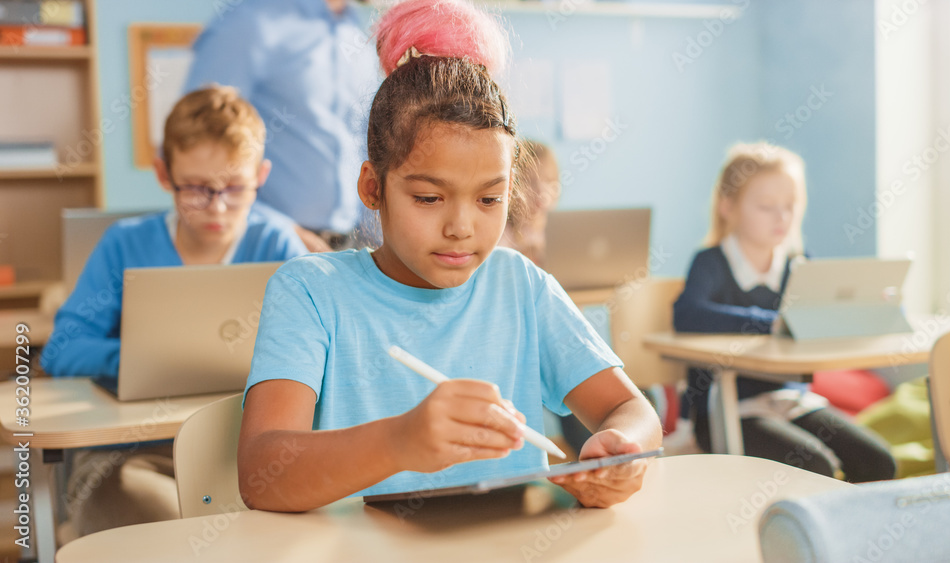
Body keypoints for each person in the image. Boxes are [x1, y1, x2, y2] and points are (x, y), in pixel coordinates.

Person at [239, 0, 662, 513]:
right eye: (428, 198)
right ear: (372, 187)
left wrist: (624, 450)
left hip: (509, 544)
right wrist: (399, 442)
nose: (461, 227)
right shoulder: (310, 290)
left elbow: (630, 407)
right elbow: (261, 475)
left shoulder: (520, 286)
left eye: (489, 199)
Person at [40, 86, 308, 537]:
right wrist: (141, 361)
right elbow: (61, 350)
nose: (217, 206)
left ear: (260, 176)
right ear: (164, 173)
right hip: (134, 458)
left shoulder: (279, 244)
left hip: (241, 455)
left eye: (234, 188)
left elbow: (317, 349)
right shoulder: (125, 244)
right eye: (198, 188)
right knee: (141, 518)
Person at [673, 142, 896, 482]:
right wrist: (771, 323)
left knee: (878, 461)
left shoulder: (798, 266)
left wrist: (871, 306)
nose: (782, 217)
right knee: (814, 467)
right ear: (727, 207)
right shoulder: (710, 263)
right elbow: (687, 314)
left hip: (791, 402)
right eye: (766, 206)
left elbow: (823, 317)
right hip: (727, 411)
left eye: (790, 206)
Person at [184, 0, 380, 252]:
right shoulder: (247, 23)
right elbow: (193, 147)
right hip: (266, 246)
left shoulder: (356, 30)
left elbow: (362, 141)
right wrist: (278, 230)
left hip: (353, 245)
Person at [499, 140, 561, 266]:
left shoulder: (550, 228)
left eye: (549, 181)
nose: (541, 191)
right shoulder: (501, 231)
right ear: (512, 184)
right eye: (530, 181)